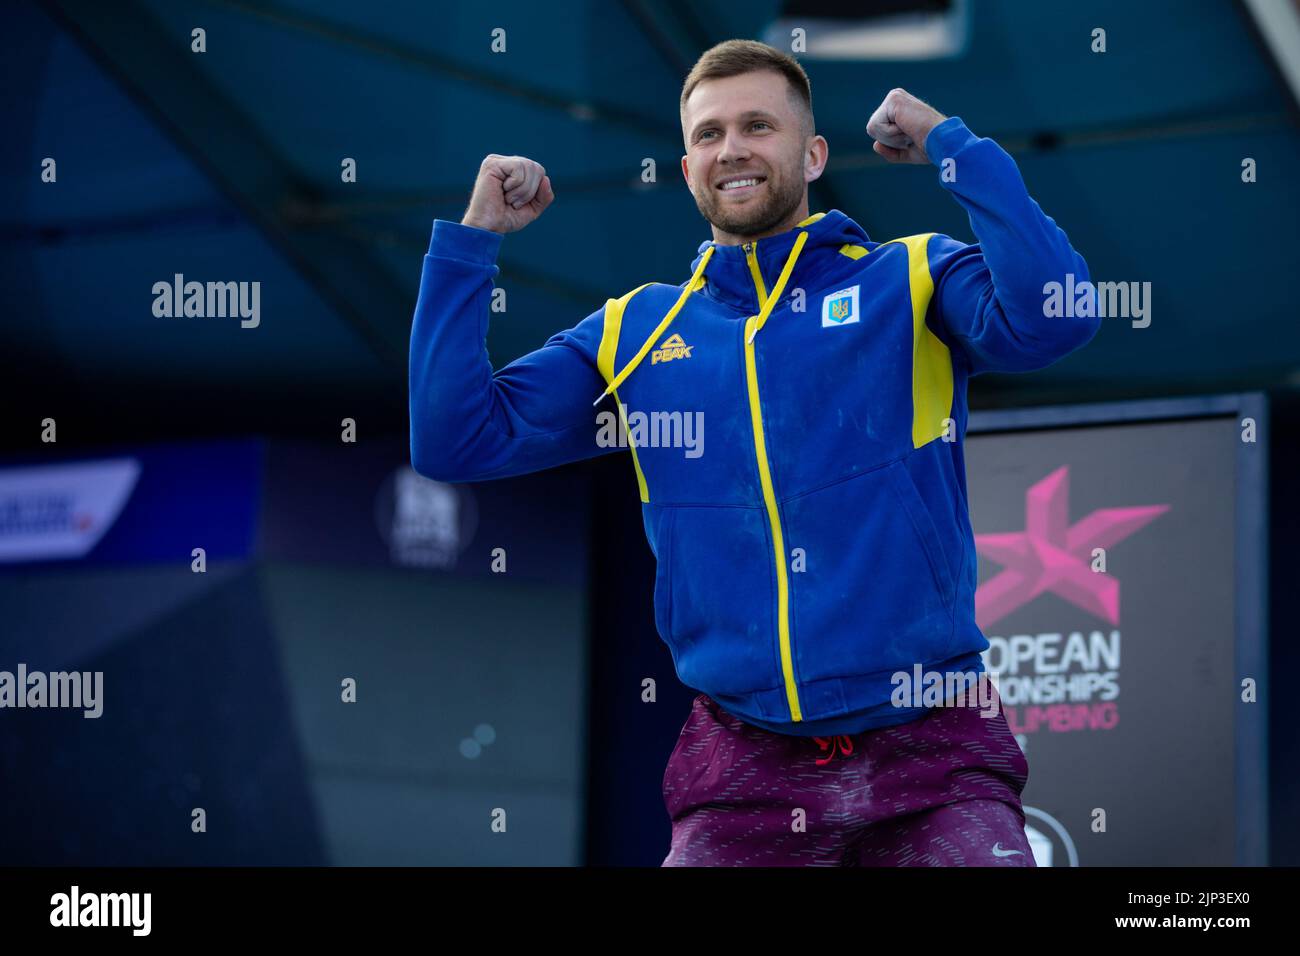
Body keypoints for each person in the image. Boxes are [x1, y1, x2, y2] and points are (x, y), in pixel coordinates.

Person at [409, 39, 1099, 866]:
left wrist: (953, 146)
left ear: (813, 156)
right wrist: (473, 241)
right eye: (709, 134)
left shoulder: (906, 279)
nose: (731, 148)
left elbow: (1056, 316)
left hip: (933, 748)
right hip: (745, 764)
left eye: (758, 126)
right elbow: (456, 440)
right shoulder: (636, 330)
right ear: (688, 168)